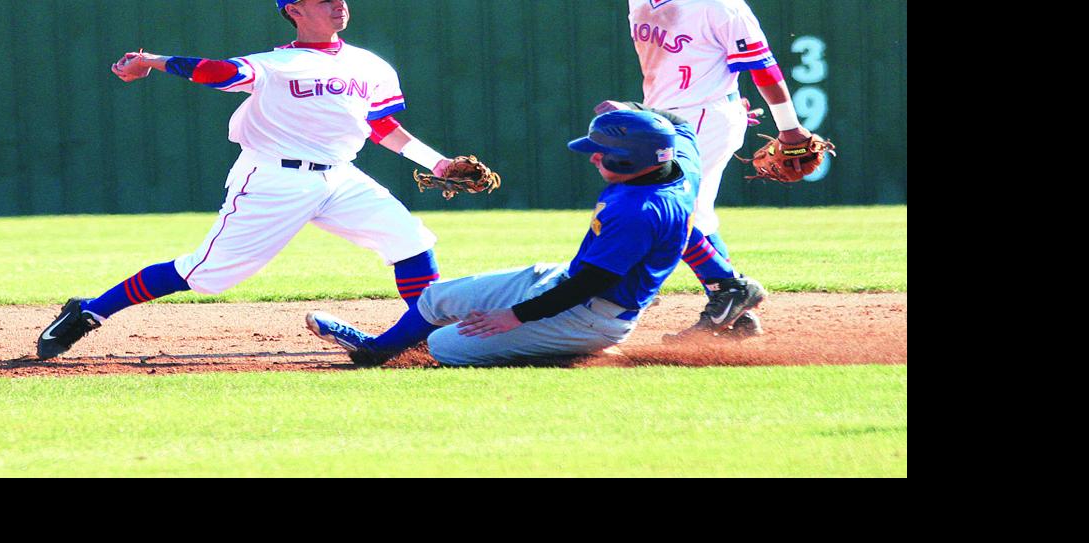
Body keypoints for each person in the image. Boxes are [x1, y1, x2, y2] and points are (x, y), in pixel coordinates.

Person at [37, 0, 481, 360]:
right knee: (206, 272)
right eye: (324, 0)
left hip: (341, 176)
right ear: (294, 10)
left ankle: (424, 334)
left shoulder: (371, 65)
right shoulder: (276, 63)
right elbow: (220, 73)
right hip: (273, 178)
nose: (339, 5)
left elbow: (380, 125)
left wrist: (436, 163)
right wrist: (153, 61)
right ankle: (90, 311)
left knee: (410, 240)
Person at [304, 104, 698, 367]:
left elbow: (590, 285)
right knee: (435, 298)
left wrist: (515, 316)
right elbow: (678, 126)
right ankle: (373, 352)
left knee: (445, 346)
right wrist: (635, 110)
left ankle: (577, 350)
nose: (594, 155)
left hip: (592, 314)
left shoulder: (638, 212)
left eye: (602, 150)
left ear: (631, 157)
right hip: (565, 278)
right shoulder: (675, 161)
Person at [626, 0, 828, 342]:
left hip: (702, 117)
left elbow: (763, 66)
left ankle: (723, 289)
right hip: (672, 115)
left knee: (664, 208)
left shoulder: (720, 5)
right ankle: (738, 314)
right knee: (697, 216)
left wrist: (790, 128)